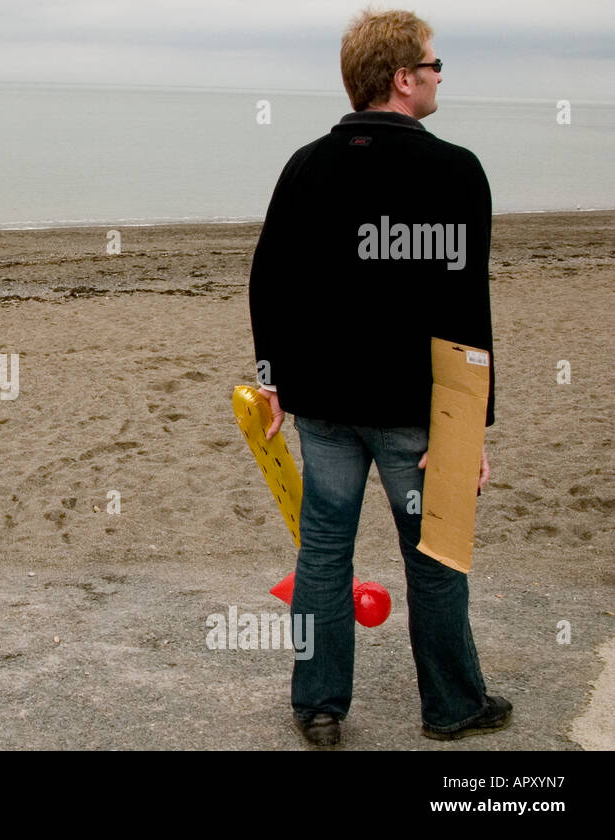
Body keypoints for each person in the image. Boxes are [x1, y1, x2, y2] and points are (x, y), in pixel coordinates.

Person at [247, 9, 510, 746]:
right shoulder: (456, 170)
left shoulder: (306, 165)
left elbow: (269, 281)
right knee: (434, 554)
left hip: (323, 404)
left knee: (323, 553)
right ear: (402, 79)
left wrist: (271, 377)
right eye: (433, 65)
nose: (438, 75)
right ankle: (453, 707)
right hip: (414, 412)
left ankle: (320, 707)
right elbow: (466, 305)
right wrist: (470, 425)